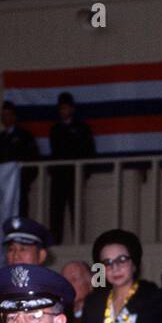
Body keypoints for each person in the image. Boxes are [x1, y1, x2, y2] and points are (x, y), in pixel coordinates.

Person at [48, 92, 96, 244]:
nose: (64, 111)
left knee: (76, 210)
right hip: (59, 175)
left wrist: (85, 172)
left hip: (75, 174)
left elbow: (89, 151)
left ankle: (78, 242)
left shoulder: (82, 128)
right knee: (56, 211)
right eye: (61, 108)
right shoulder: (55, 129)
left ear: (72, 109)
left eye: (66, 108)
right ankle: (56, 241)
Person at [0, 100, 40, 217]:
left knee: (21, 214)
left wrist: (25, 180)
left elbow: (33, 159)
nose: (5, 118)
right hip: (3, 185)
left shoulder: (24, 136)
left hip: (20, 184)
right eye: (3, 115)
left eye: (8, 114)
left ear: (14, 116)